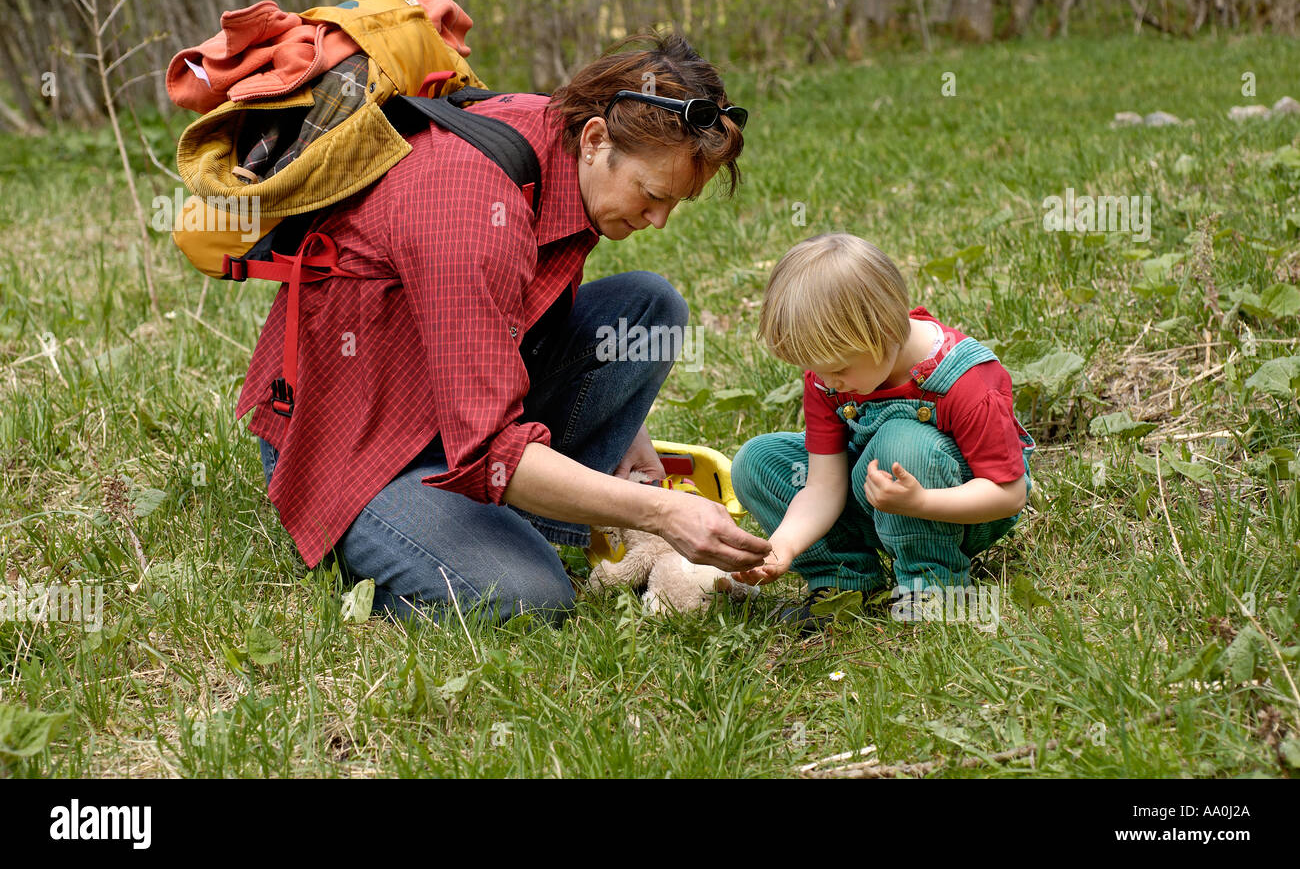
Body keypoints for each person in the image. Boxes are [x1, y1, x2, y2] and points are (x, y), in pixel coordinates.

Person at [238, 33, 769, 623]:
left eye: (676, 203)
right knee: (530, 597)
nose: (660, 220)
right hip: (355, 446)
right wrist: (658, 513)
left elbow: (527, 315)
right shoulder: (473, 207)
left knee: (649, 311)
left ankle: (515, 517)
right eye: (652, 195)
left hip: (443, 394)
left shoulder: (559, 143)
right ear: (597, 139)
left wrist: (628, 426)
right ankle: (378, 541)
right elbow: (491, 449)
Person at [728, 232, 1034, 628]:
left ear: (884, 332)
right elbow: (823, 486)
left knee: (898, 444)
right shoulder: (829, 379)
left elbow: (1009, 495)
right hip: (877, 496)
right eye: (816, 369)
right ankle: (842, 583)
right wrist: (783, 545)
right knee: (757, 461)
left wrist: (921, 503)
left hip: (961, 509)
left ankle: (932, 590)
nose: (826, 381)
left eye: (838, 368)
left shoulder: (965, 381)